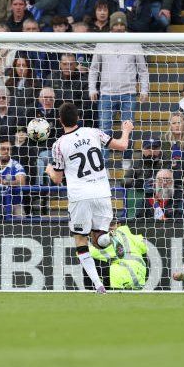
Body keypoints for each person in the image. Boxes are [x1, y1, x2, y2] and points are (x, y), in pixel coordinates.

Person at [46, 102, 133, 293]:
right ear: (78, 117)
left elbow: (58, 179)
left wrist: (49, 170)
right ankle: (111, 238)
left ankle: (98, 284)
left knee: (81, 240)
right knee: (98, 238)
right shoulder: (94, 132)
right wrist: (126, 129)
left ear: (60, 121)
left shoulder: (58, 145)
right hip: (102, 191)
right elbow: (123, 145)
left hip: (80, 196)